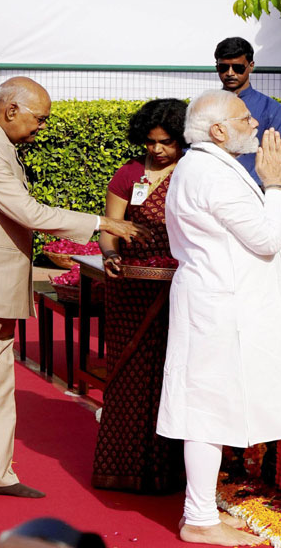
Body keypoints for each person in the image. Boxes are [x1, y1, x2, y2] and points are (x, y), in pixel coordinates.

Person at [0, 77, 147, 505]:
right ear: (11, 110)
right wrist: (102, 222)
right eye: (39, 118)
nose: (42, 126)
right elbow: (26, 211)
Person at [157, 90, 281, 545]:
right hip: (220, 306)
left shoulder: (206, 166)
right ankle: (199, 518)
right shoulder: (211, 173)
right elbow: (266, 238)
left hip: (218, 302)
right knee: (205, 409)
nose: (256, 126)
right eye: (246, 119)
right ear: (219, 130)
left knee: (211, 406)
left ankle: (201, 511)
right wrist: (276, 183)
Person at [92, 98, 188, 493]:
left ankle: (171, 473)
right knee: (128, 376)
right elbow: (109, 227)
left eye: (165, 142)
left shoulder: (193, 172)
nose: (157, 150)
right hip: (130, 287)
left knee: (171, 374)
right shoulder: (129, 173)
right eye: (150, 142)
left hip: (179, 289)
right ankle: (123, 469)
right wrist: (110, 253)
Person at [214, 36, 281, 185]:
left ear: (251, 66)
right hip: (210, 188)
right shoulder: (206, 107)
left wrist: (248, 185)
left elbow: (275, 155)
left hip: (254, 190)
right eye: (223, 67)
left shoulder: (271, 108)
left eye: (238, 68)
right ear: (216, 67)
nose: (230, 73)